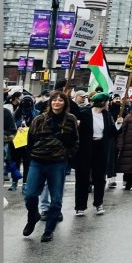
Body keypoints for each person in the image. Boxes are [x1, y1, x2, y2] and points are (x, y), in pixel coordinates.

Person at [22, 91, 78, 242]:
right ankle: (33, 216)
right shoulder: (39, 119)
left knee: (56, 199)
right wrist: (32, 154)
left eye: (60, 100)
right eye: (54, 100)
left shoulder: (70, 120)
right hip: (38, 161)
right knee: (30, 195)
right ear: (50, 102)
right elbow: (30, 139)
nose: (57, 103)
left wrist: (67, 154)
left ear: (65, 103)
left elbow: (75, 141)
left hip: (57, 163)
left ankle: (49, 229)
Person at [73, 92, 120, 216]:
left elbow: (113, 132)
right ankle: (80, 206)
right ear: (103, 102)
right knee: (82, 177)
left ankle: (98, 203)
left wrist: (118, 124)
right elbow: (76, 130)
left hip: (100, 147)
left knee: (100, 177)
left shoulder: (107, 115)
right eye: (107, 102)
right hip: (85, 147)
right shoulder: (84, 114)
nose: (108, 104)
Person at [4, 95, 22, 190]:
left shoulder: (5, 112)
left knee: (10, 160)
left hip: (5, 144)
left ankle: (14, 179)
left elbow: (12, 131)